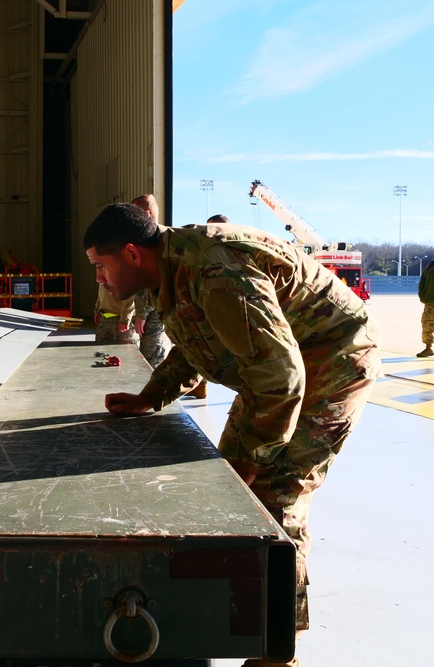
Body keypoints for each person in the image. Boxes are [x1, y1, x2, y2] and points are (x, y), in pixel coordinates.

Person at [83, 204, 381, 667]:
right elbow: (198, 340)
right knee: (235, 493)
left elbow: (283, 382)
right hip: (272, 367)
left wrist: (251, 466)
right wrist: (151, 395)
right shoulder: (173, 266)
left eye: (101, 267)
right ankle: (225, 616)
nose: (100, 279)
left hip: (331, 361)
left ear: (131, 253)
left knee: (273, 498)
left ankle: (276, 651)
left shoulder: (215, 272)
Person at [130, 195, 172, 370]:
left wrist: (142, 314)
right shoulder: (161, 239)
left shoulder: (157, 242)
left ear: (146, 214)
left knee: (153, 364)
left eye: (134, 214)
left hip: (155, 318)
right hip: (155, 316)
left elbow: (153, 282)